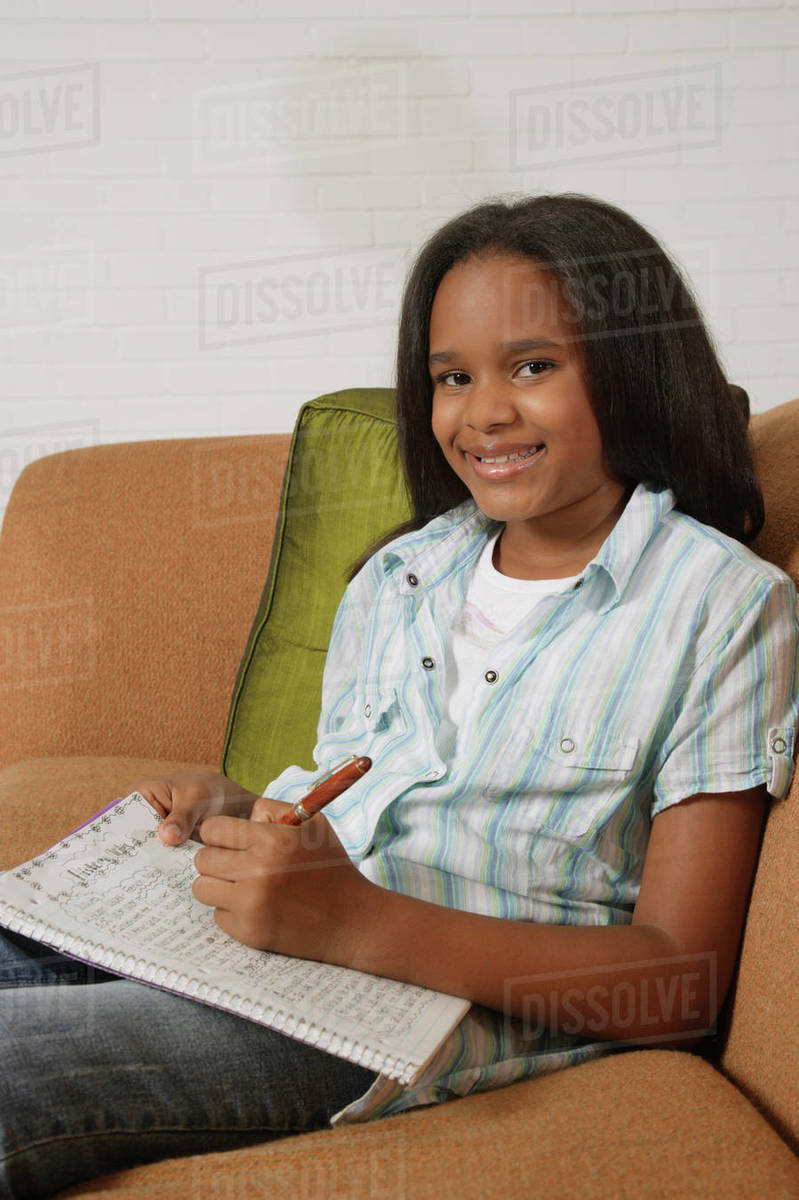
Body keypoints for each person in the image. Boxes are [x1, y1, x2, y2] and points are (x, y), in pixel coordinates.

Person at [2, 193, 797, 1198]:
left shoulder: (722, 605)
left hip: (413, 1011)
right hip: (265, 942)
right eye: (452, 377)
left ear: (634, 364)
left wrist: (355, 927)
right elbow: (357, 804)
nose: (484, 411)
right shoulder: (402, 576)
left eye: (533, 366)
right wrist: (241, 814)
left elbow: (678, 981)